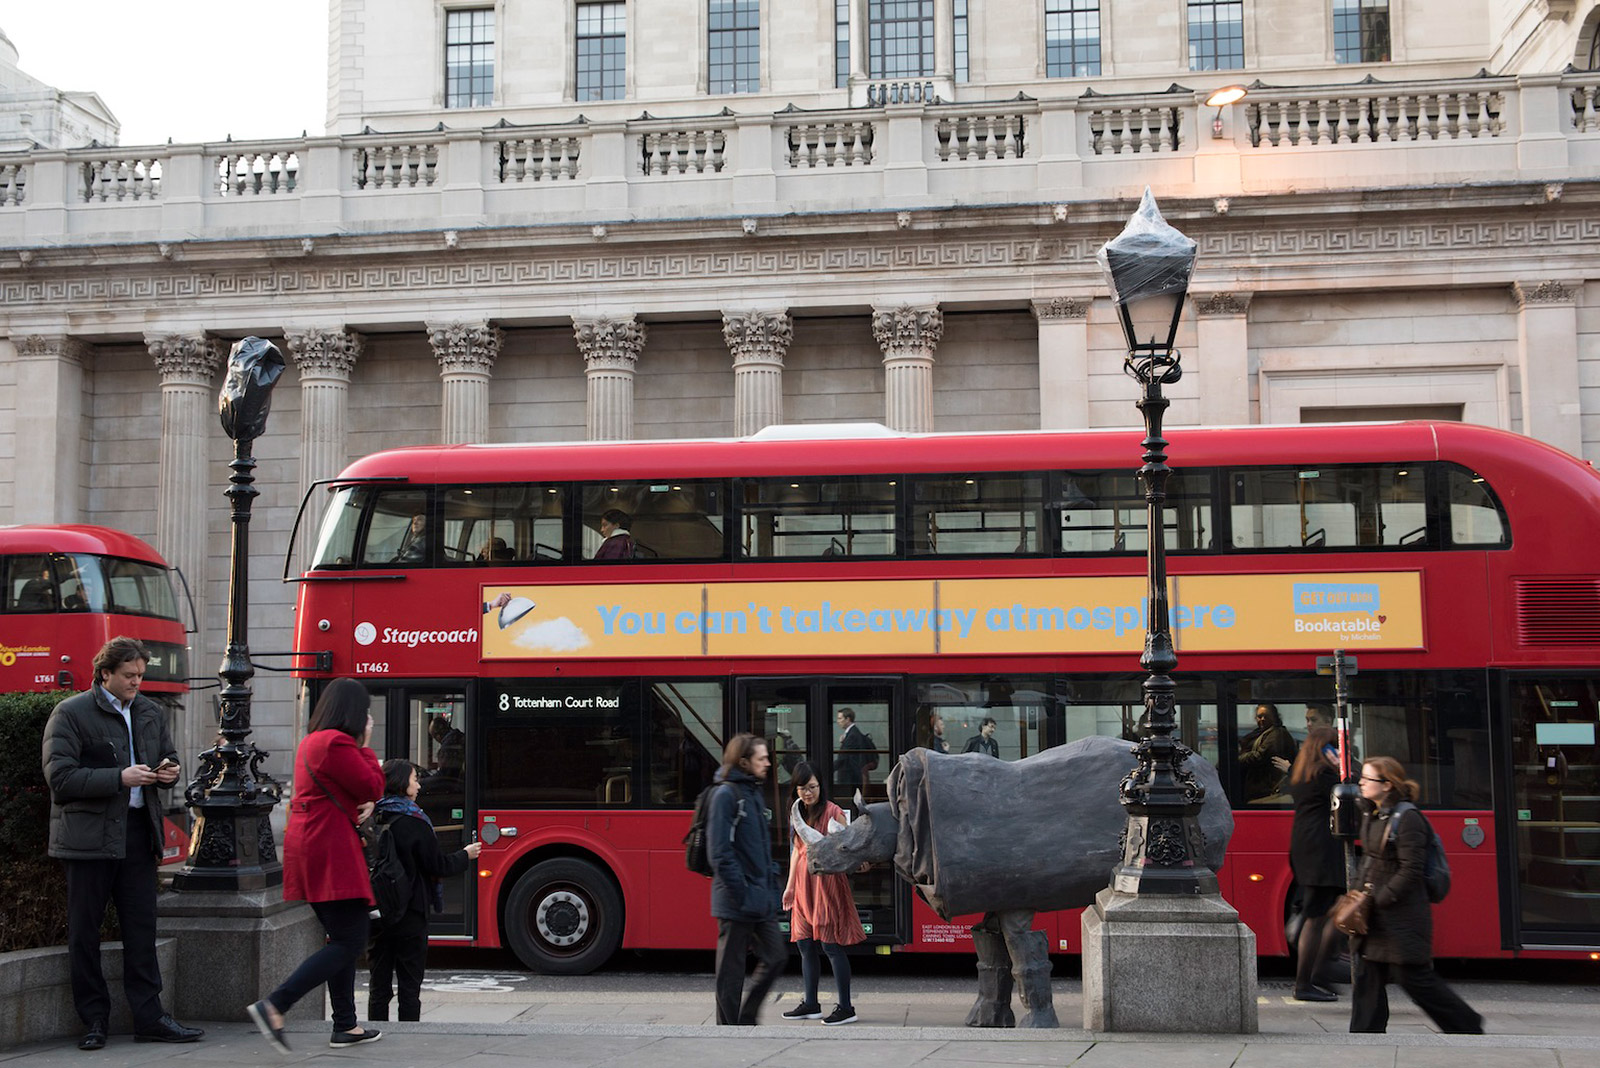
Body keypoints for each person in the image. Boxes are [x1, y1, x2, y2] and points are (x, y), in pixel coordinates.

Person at [42, 637, 205, 1051]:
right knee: (84, 932)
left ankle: (150, 1018)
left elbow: (167, 754)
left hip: (137, 833)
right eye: (129, 676)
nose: (137, 682)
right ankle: (94, 1019)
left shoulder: (149, 711)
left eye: (140, 675)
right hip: (86, 840)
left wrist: (169, 769)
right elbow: (59, 778)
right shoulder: (71, 712)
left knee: (141, 931)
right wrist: (119, 778)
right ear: (105, 674)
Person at [248, 678, 385, 1054]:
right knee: (350, 940)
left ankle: (345, 1025)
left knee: (339, 937)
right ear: (355, 712)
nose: (368, 718)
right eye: (366, 712)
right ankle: (276, 1004)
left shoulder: (314, 741)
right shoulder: (338, 743)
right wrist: (367, 747)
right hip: (330, 849)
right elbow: (371, 785)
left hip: (312, 845)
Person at [1348, 756, 1483, 1034]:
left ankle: (1466, 1023)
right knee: (1367, 975)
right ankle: (1364, 1034)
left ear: (1387, 785)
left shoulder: (1408, 818)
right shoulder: (1373, 813)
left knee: (1413, 977)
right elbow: (1371, 861)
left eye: (1367, 778)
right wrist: (1358, 896)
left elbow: (1411, 870)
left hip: (1402, 916)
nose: (1360, 782)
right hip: (1376, 913)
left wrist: (1381, 898)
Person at [367, 759, 482, 1022]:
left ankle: (377, 1028)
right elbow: (437, 865)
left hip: (378, 910)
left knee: (379, 980)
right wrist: (466, 855)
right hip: (410, 910)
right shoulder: (414, 821)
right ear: (402, 785)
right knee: (409, 982)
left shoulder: (374, 817)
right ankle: (408, 1033)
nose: (419, 785)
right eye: (414, 779)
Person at [780, 762, 865, 1025]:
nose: (808, 793)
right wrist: (790, 886)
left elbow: (850, 849)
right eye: (803, 788)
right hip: (804, 887)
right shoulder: (798, 814)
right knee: (805, 945)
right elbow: (797, 851)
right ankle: (811, 1004)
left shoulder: (834, 812)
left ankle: (846, 1007)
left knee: (831, 946)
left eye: (813, 787)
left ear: (821, 786)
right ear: (796, 789)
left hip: (827, 886)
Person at [708, 733, 785, 1026]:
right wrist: (741, 892)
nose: (768, 763)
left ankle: (746, 1017)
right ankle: (727, 1031)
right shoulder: (726, 794)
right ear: (744, 762)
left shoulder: (752, 792)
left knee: (777, 956)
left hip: (759, 896)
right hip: (736, 899)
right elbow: (720, 853)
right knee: (730, 973)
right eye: (761, 758)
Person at [1286, 726, 1346, 1002]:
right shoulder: (1324, 775)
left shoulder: (1303, 773)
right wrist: (1342, 765)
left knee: (1335, 907)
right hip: (1320, 849)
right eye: (1336, 746)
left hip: (1306, 846)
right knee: (1316, 915)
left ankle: (1320, 971)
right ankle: (1305, 983)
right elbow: (1350, 795)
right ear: (1326, 748)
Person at [1238, 703, 1296, 801]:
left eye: (1266, 716)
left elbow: (1259, 756)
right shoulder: (1259, 734)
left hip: (1268, 792)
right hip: (1258, 790)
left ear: (1274, 717)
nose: (1262, 719)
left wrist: (1236, 758)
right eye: (1259, 716)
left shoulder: (1277, 733)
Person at [834, 708, 874, 790]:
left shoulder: (852, 735)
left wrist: (828, 768)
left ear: (848, 719)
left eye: (840, 718)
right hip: (851, 777)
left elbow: (843, 757)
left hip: (849, 778)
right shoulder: (852, 733)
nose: (838, 721)